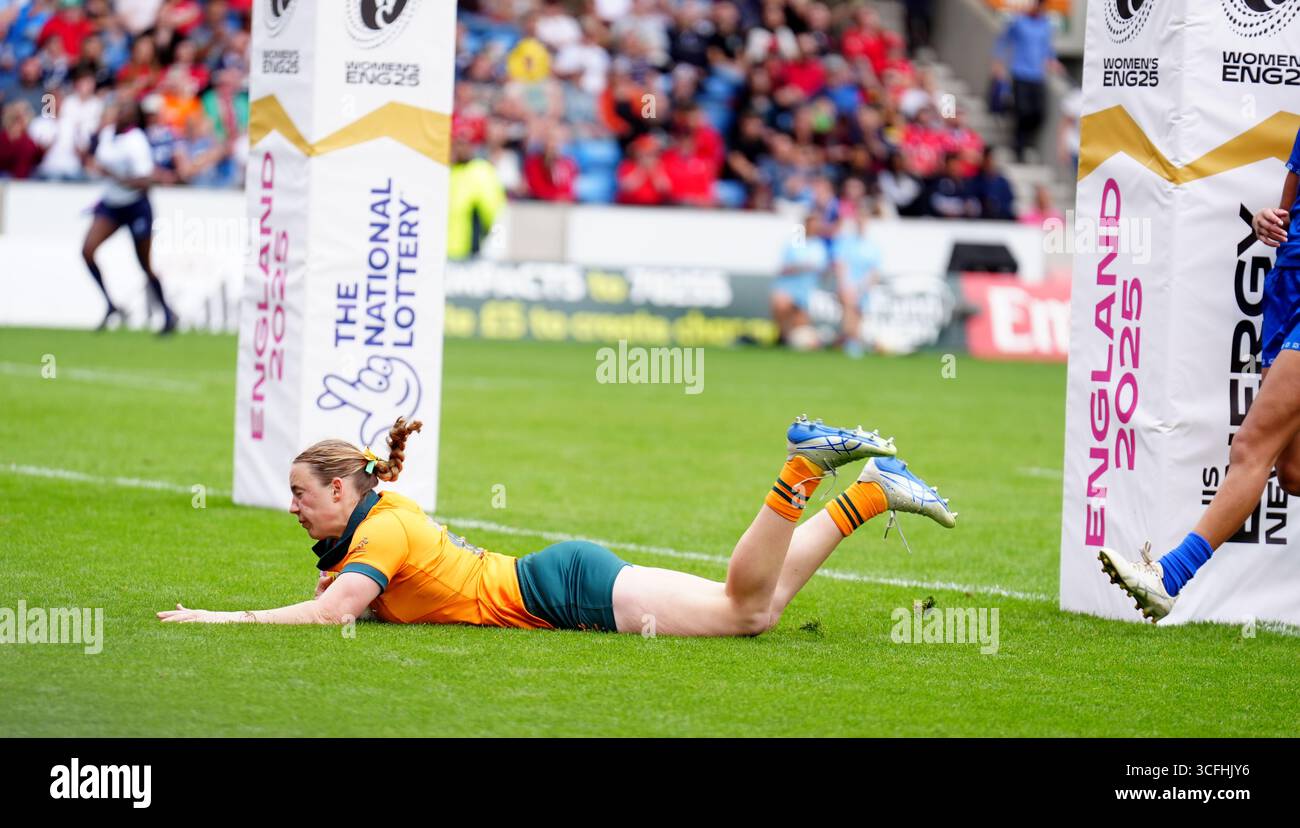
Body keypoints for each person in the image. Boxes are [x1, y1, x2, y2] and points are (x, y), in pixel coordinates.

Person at [158, 415, 957, 635]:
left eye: (302, 493)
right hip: (560, 577)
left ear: (342, 488)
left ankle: (801, 469)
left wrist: (217, 617)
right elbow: (349, 593)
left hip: (565, 592)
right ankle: (873, 496)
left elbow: (336, 612)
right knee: (762, 606)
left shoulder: (383, 532)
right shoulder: (370, 519)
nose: (292, 506)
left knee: (744, 612)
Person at [1099, 127, 1300, 622]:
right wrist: (1266, 223)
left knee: (1251, 449)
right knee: (1292, 473)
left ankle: (1168, 576)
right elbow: (1285, 217)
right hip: (1287, 290)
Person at [82, 98, 177, 333]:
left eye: (126, 109)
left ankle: (167, 313)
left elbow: (145, 182)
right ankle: (110, 304)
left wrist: (113, 176)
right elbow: (90, 155)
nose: (121, 112)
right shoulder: (106, 134)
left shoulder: (137, 142)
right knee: (87, 251)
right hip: (111, 204)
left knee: (144, 264)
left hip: (135, 205)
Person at [992, 0, 1060, 162]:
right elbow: (1003, 41)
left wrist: (1053, 61)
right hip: (1020, 72)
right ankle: (1019, 147)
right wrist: (998, 62)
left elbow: (1047, 48)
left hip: (1037, 75)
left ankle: (1025, 138)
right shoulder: (1019, 21)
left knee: (1038, 113)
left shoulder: (1046, 25)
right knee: (1023, 111)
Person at [772, 213, 831, 347]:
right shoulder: (796, 241)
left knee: (803, 334)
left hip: (805, 295)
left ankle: (790, 337)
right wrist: (802, 267)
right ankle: (781, 337)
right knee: (780, 303)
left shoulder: (819, 246)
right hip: (789, 290)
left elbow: (822, 271)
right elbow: (784, 268)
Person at [833, 203, 883, 358]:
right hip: (848, 286)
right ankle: (852, 342)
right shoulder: (846, 241)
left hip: (864, 288)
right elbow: (840, 265)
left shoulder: (873, 246)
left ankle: (851, 341)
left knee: (858, 315)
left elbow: (874, 271)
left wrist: (863, 287)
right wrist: (846, 284)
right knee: (850, 307)